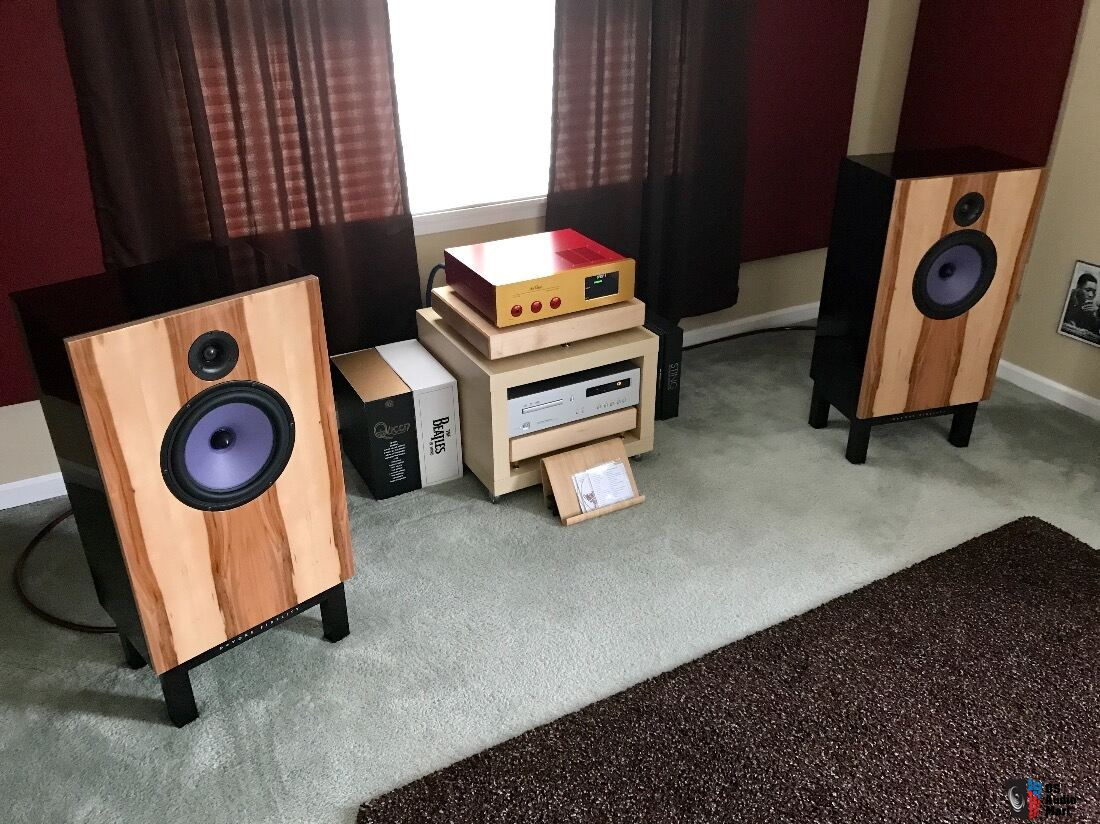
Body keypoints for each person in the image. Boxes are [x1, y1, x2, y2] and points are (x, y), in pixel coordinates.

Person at [1063, 271, 1100, 338]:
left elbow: (1095, 331)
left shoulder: (1089, 308)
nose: (1091, 295)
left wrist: (1097, 313)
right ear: (1078, 288)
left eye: (1094, 292)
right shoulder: (1066, 299)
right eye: (1087, 290)